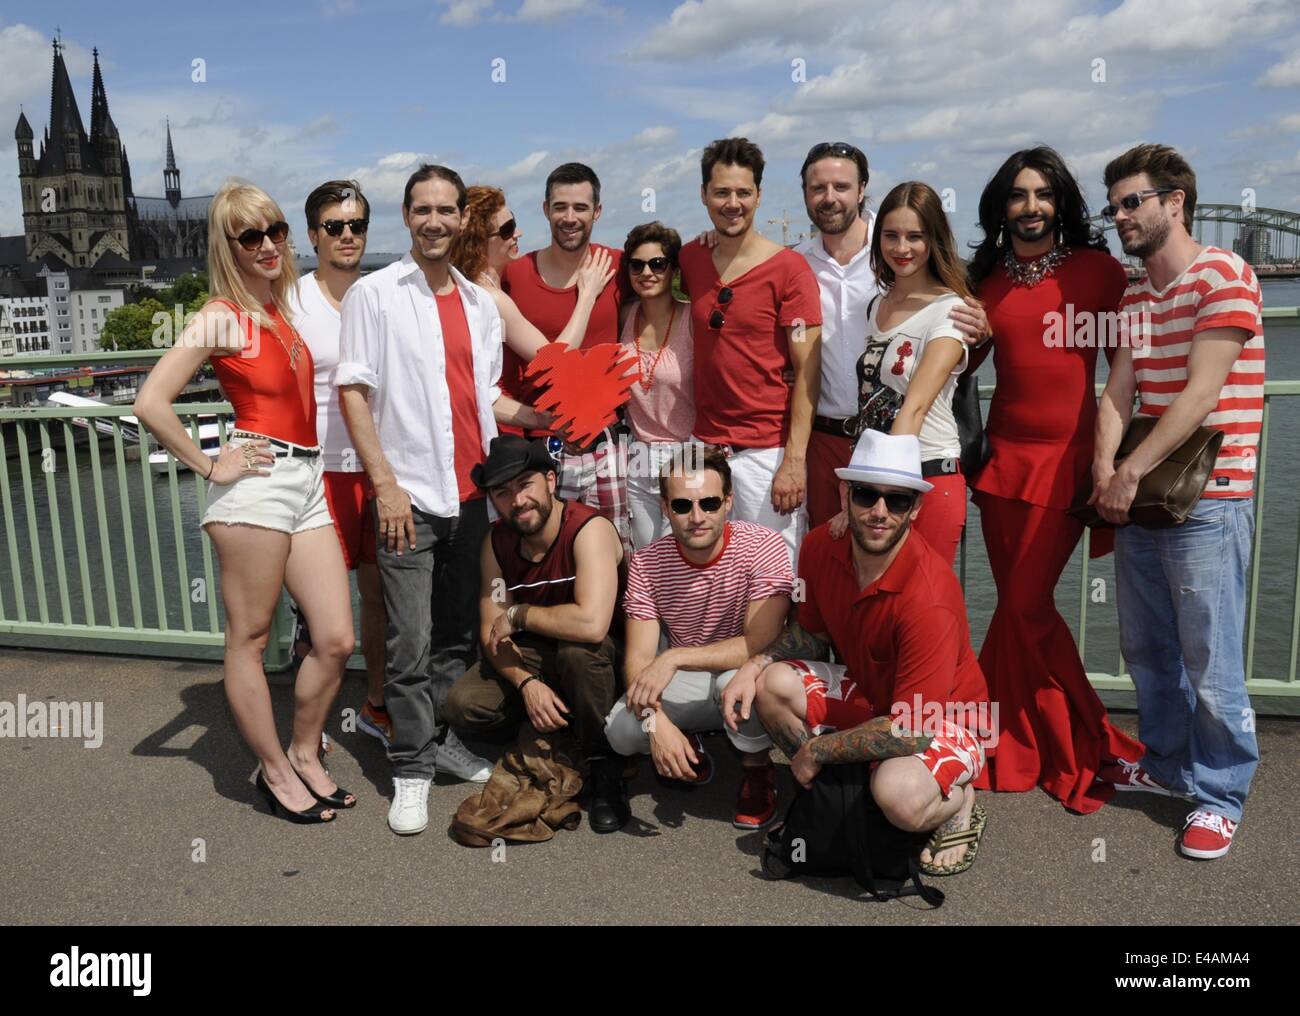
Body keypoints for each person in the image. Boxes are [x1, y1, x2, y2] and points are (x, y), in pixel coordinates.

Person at [134, 181, 355, 823]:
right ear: (228, 245)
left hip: (306, 480)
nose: (267, 245)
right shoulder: (222, 314)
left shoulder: (279, 308)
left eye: (276, 230)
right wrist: (209, 463)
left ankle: (306, 753)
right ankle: (276, 771)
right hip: (253, 483)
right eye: (249, 236)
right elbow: (150, 402)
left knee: (336, 638)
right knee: (250, 639)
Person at [1092, 143, 1265, 860]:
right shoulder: (1136, 294)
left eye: (1133, 202)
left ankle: (1221, 792)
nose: (1122, 217)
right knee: (1149, 646)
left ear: (1175, 202)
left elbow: (1201, 392)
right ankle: (1165, 766)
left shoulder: (1223, 274)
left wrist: (1129, 471)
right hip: (1146, 493)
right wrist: (1105, 466)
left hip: (1209, 497)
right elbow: (1117, 392)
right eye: (1114, 207)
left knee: (1210, 655)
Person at [338, 164, 518, 837]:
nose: (436, 221)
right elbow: (353, 391)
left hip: (469, 498)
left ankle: (438, 741)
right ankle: (410, 768)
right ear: (407, 216)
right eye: (423, 209)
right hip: (405, 498)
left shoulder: (478, 303)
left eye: (447, 209)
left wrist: (548, 414)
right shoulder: (376, 294)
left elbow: (488, 399)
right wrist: (383, 484)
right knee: (409, 642)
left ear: (462, 220)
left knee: (452, 639)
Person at [962, 147, 1142, 813]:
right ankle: (1026, 731)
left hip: (1067, 462)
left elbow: (1132, 358)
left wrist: (1118, 458)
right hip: (1001, 464)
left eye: (1043, 194)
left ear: (1060, 203)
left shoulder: (1097, 273)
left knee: (1026, 606)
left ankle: (1073, 739)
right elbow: (962, 360)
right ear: (1001, 207)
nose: (1030, 206)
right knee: (1017, 605)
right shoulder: (984, 279)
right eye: (1018, 195)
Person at [726, 430, 991, 874]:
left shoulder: (931, 597)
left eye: (898, 501)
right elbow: (809, 635)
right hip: (875, 696)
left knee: (902, 799)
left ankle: (960, 802)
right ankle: (843, 792)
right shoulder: (817, 547)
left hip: (943, 718)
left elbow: (912, 730)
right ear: (845, 494)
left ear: (917, 508)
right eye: (867, 494)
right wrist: (752, 665)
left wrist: (818, 750)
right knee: (769, 684)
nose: (880, 512)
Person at [443, 436, 630, 832]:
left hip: (600, 658)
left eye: (524, 484)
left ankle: (603, 764)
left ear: (550, 479)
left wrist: (520, 614)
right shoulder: (496, 542)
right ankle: (551, 725)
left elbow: (592, 623)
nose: (517, 501)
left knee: (577, 655)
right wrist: (526, 683)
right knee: (462, 704)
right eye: (502, 492)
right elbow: (491, 630)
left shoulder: (588, 528)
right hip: (536, 659)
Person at [604, 447, 792, 828]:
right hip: (690, 677)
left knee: (739, 685)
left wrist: (672, 658)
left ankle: (757, 769)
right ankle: (686, 749)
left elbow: (757, 642)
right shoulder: (646, 562)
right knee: (621, 731)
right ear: (664, 507)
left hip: (744, 672)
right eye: (682, 505)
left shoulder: (764, 545)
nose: (697, 517)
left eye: (709, 503)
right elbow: (638, 661)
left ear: (728, 502)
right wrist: (656, 725)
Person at [678, 137, 822, 565]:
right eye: (721, 192)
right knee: (703, 576)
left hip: (766, 455)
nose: (732, 203)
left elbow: (808, 373)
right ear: (704, 195)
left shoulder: (790, 271)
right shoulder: (690, 258)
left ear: (759, 195)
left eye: (743, 193)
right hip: (703, 449)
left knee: (773, 577)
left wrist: (794, 462)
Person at [288, 179, 391, 746]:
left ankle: (375, 705)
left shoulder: (381, 295)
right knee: (315, 612)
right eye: (335, 226)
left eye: (357, 225)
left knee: (376, 597)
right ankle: (313, 727)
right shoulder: (293, 302)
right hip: (317, 470)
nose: (348, 235)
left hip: (376, 470)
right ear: (313, 236)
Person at [828, 181, 972, 565]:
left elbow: (915, 408)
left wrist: (872, 492)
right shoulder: (877, 305)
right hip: (880, 483)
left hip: (925, 478)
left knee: (924, 607)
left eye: (915, 237)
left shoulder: (950, 311)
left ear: (934, 240)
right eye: (891, 236)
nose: (902, 248)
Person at [500, 163, 634, 543]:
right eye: (560, 207)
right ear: (545, 210)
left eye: (580, 207)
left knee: (616, 551)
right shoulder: (516, 275)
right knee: (546, 555)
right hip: (539, 448)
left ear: (598, 211)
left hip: (609, 443)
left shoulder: (620, 266)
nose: (569, 217)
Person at [449, 184, 615, 435]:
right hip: (504, 430)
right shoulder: (492, 297)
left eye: (513, 223)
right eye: (506, 230)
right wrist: (587, 296)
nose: (518, 233)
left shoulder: (472, 287)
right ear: (478, 241)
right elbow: (557, 361)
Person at [617, 222, 696, 549]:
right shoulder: (624, 316)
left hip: (687, 454)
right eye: (637, 264)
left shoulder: (693, 319)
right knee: (647, 558)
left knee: (685, 558)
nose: (646, 272)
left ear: (673, 270)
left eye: (657, 264)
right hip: (636, 456)